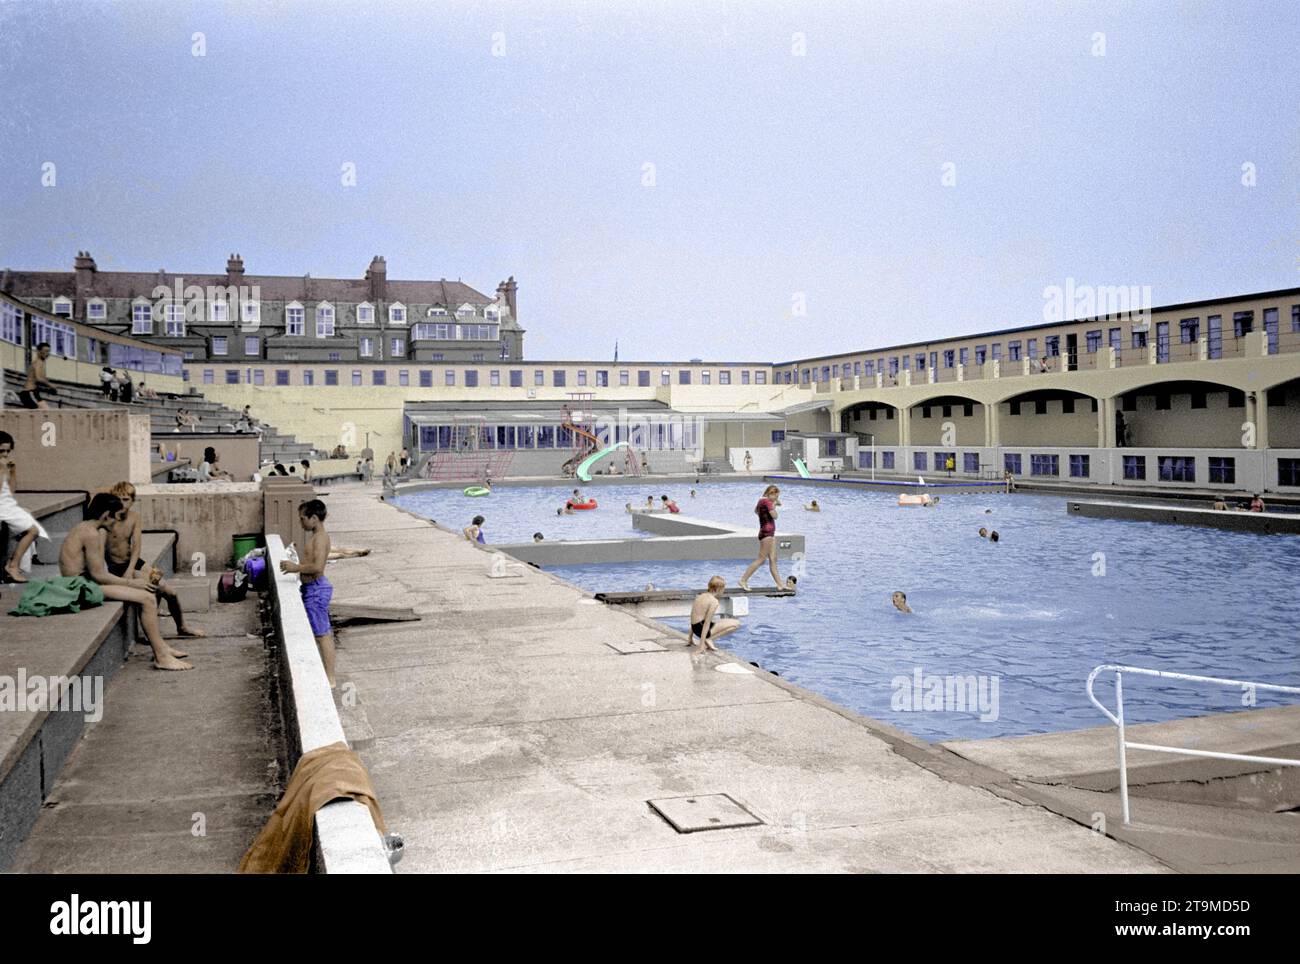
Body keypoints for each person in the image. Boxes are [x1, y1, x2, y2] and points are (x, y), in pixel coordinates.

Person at [59, 493, 192, 670]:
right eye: (117, 516)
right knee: (147, 599)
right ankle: (161, 657)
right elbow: (98, 575)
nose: (116, 523)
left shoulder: (86, 528)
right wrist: (131, 584)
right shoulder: (90, 534)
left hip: (84, 582)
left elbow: (98, 573)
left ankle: (162, 648)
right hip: (79, 588)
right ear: (106, 515)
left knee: (146, 590)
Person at [102, 481, 205, 640]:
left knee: (170, 591)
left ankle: (182, 626)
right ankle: (147, 632)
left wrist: (130, 569)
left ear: (133, 501)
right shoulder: (107, 519)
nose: (121, 504)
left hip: (134, 563)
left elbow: (136, 546)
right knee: (153, 588)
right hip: (116, 567)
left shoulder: (134, 517)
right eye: (118, 499)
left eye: (126, 500)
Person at [280, 499, 336, 688]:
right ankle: (324, 674)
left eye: (303, 518)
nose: (300, 522)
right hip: (311, 589)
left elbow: (318, 567)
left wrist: (295, 567)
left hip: (316, 589)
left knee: (322, 635)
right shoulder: (316, 537)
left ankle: (330, 679)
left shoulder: (320, 538)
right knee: (318, 633)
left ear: (314, 518)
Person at [0, 432, 47, 583]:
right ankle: (12, 566)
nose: (5, 454)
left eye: (8, 451)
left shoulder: (4, 466)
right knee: (32, 530)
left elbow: (11, 491)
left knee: (32, 526)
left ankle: (13, 565)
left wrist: (12, 472)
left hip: (5, 507)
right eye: (1, 451)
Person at [739, 485, 787, 590]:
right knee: (761, 559)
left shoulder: (761, 502)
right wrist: (774, 505)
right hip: (767, 533)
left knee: (773, 559)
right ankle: (743, 580)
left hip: (768, 533)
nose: (776, 498)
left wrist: (768, 511)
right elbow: (775, 516)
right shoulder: (767, 502)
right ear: (770, 494)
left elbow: (756, 511)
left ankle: (780, 584)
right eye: (776, 496)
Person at [687, 576, 741, 653]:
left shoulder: (700, 596)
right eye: (723, 588)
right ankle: (708, 639)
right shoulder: (714, 601)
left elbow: (693, 616)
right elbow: (706, 623)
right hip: (702, 629)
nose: (724, 590)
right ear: (718, 589)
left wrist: (690, 637)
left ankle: (707, 639)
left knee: (728, 620)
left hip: (695, 628)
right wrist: (701, 646)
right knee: (737, 624)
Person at [20, 342, 55, 410]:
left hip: (33, 393)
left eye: (48, 351)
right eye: (45, 351)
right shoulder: (38, 362)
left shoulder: (40, 362)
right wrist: (50, 385)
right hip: (29, 393)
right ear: (38, 351)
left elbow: (37, 381)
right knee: (45, 411)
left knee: (46, 412)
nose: (47, 353)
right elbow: (38, 379)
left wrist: (48, 388)